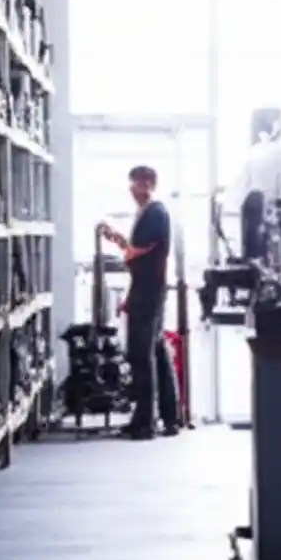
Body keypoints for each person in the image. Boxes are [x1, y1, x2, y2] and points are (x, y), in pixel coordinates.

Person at [101, 166, 180, 439]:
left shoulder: (155, 213)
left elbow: (140, 252)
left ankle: (146, 422)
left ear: (150, 184)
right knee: (156, 351)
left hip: (149, 291)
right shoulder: (148, 213)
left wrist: (121, 245)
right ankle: (169, 417)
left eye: (139, 184)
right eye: (132, 184)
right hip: (147, 289)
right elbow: (138, 252)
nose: (134, 190)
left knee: (141, 355)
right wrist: (119, 240)